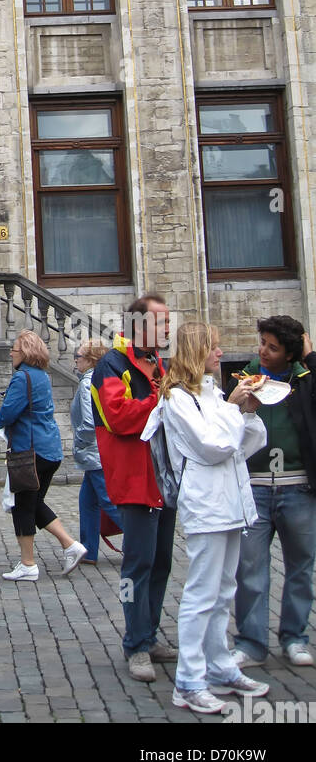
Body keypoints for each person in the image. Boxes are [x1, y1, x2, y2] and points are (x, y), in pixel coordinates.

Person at [142, 322, 270, 714]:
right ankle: (188, 680)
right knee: (201, 593)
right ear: (198, 351)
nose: (220, 353)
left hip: (232, 501)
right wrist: (234, 409)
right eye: (214, 347)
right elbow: (213, 446)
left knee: (223, 590)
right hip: (206, 505)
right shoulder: (178, 399)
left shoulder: (211, 394)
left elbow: (246, 445)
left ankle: (220, 666)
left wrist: (247, 413)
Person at [91, 294, 178, 681]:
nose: (167, 329)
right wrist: (163, 400)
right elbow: (118, 418)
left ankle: (150, 633)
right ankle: (135, 644)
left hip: (163, 480)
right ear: (138, 325)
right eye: (160, 323)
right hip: (135, 482)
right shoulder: (112, 364)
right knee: (136, 566)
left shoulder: (157, 362)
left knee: (161, 563)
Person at [232, 316, 316, 668]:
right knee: (250, 568)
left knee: (301, 566)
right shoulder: (246, 379)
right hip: (255, 488)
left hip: (299, 487)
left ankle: (295, 637)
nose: (263, 351)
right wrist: (235, 402)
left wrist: (310, 359)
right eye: (263, 342)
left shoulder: (306, 382)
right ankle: (251, 643)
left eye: (273, 347)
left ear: (290, 353)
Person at [0, 330, 86, 580]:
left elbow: (8, 414)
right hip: (50, 450)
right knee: (34, 503)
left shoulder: (22, 377)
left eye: (14, 349)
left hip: (30, 450)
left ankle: (28, 564)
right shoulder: (42, 376)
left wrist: (1, 416)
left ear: (24, 352)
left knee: (23, 506)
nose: (11, 353)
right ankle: (70, 545)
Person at [71, 338, 122, 563]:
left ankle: (142, 540)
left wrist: (79, 442)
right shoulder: (101, 378)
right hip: (95, 451)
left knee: (108, 501)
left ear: (90, 360)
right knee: (88, 502)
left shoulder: (87, 382)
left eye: (79, 356)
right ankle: (88, 549)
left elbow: (90, 422)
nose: (75, 360)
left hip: (93, 451)